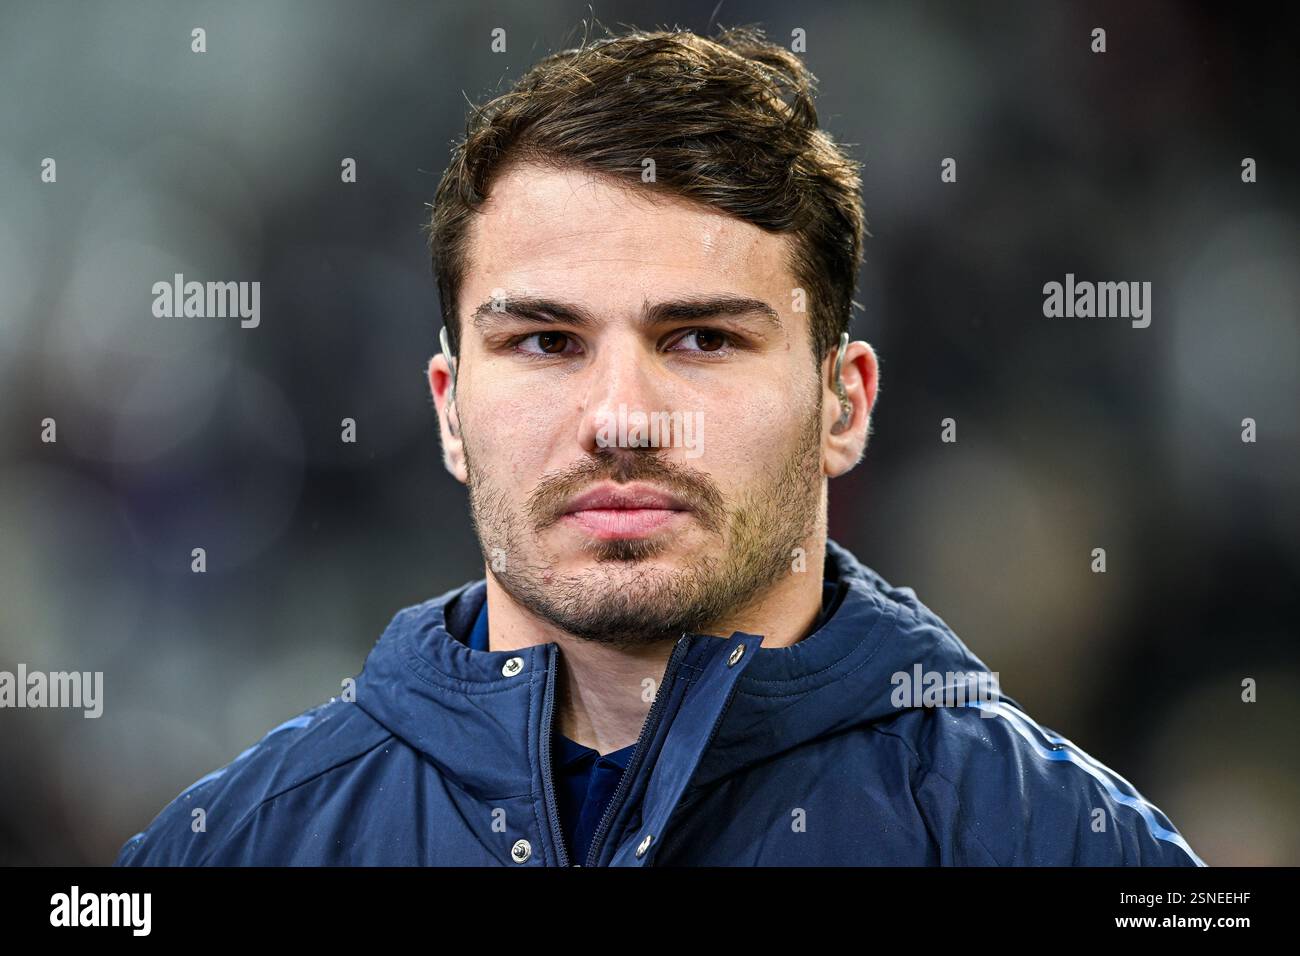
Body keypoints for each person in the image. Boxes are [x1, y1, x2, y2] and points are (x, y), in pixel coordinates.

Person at [115, 25, 1203, 867]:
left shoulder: (1057, 843)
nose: (624, 416)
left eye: (700, 338)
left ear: (843, 403)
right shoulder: (236, 843)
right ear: (449, 408)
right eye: (545, 340)